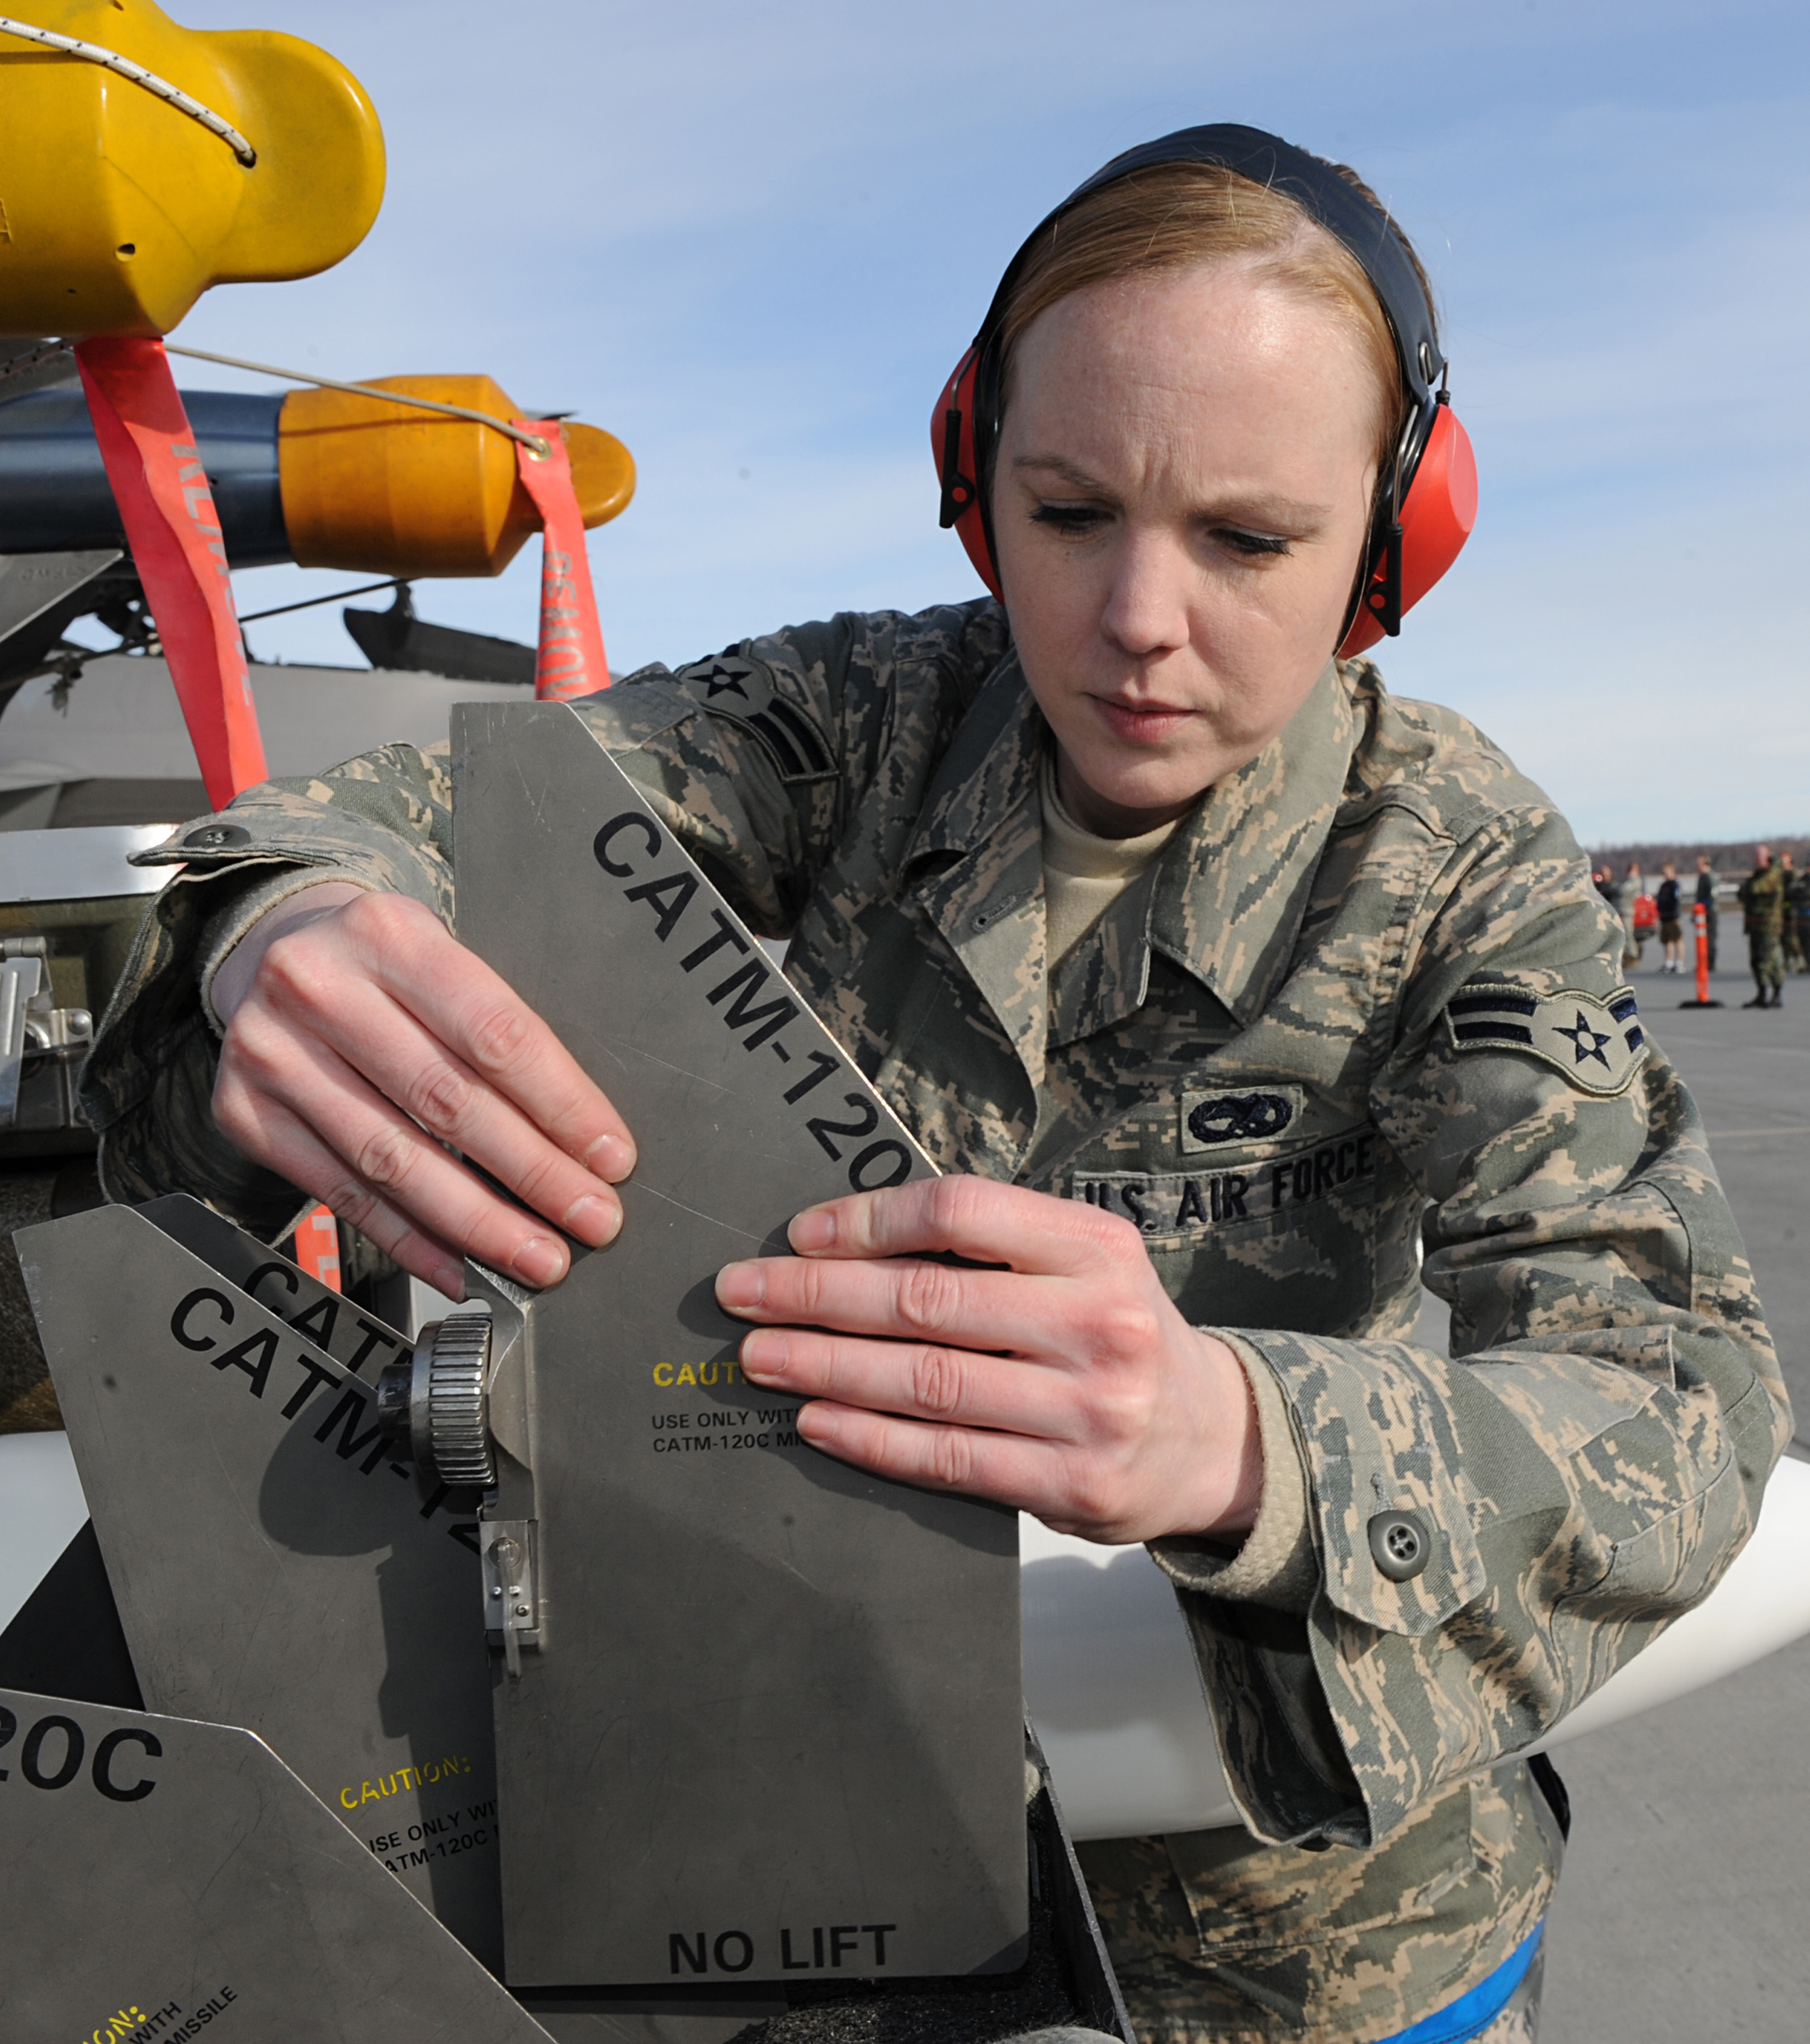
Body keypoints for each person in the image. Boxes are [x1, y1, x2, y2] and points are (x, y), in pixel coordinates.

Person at [81, 129, 1785, 2044]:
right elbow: (412, 823)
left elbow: (1676, 1390)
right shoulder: (839, 731)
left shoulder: (1451, 856)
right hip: (797, 1901)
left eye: (1245, 540)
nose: (1139, 618)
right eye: (1071, 514)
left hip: (1311, 1953)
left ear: (1393, 546)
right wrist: (277, 940)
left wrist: (1243, 1439)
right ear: (976, 490)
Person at [1738, 844, 1785, 1008]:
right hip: (1755, 925)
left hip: (1768, 926)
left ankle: (1777, 994)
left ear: (1768, 857)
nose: (1757, 860)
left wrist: (1749, 889)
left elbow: (1756, 889)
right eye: (1756, 856)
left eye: (1760, 856)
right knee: (1756, 961)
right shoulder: (1758, 875)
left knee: (1770, 961)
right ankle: (1762, 993)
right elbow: (1742, 893)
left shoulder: (1773, 874)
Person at [1781, 852, 1807, 974]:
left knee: (1795, 938)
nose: (1782, 865)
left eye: (1784, 862)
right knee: (1784, 938)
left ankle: (1800, 961)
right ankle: (1787, 961)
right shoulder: (1779, 876)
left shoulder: (1797, 875)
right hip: (1782, 912)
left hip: (1795, 912)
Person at [1655, 863, 1683, 973]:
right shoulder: (1663, 885)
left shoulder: (1674, 885)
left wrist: (1673, 912)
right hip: (1664, 916)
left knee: (1677, 939)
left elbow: (1676, 900)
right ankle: (1669, 962)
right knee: (1667, 940)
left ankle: (1679, 963)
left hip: (1673, 916)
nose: (1664, 873)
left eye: (1666, 871)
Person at [1695, 854, 1720, 974]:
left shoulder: (1710, 877)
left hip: (1710, 911)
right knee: (1702, 939)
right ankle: (1702, 963)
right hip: (1701, 912)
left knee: (1710, 938)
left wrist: (1705, 907)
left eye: (1699, 864)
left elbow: (1712, 896)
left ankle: (1710, 963)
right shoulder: (1702, 877)